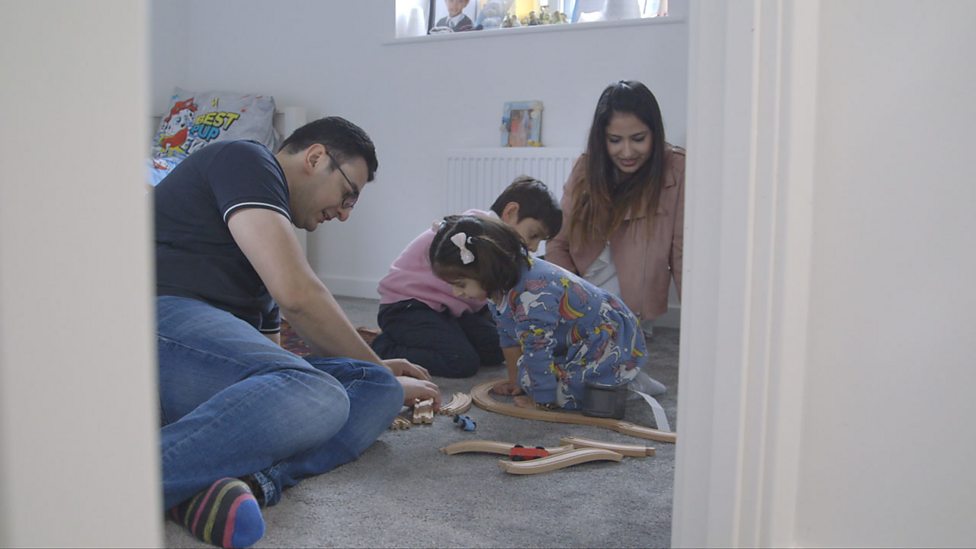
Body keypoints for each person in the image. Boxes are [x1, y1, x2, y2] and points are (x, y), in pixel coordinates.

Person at [154, 117, 440, 548]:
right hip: (153, 323)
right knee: (319, 391)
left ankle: (235, 484)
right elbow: (297, 295)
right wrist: (375, 360)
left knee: (374, 388)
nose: (344, 215)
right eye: (348, 196)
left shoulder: (261, 249)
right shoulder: (246, 159)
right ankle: (130, 484)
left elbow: (275, 369)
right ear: (316, 157)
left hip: (199, 360)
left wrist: (374, 371)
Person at [429, 215, 648, 410]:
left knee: (565, 388)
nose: (456, 292)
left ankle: (625, 381)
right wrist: (515, 382)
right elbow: (508, 335)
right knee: (528, 375)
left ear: (486, 269)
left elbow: (538, 348)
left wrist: (542, 400)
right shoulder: (499, 285)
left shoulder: (532, 295)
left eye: (461, 284)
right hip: (575, 338)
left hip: (610, 338)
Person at [371, 176, 562, 378]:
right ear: (511, 212)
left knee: (496, 348)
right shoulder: (475, 234)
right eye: (533, 235)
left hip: (448, 310)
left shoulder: (492, 241)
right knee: (460, 361)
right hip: (407, 307)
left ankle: (443, 336)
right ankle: (381, 347)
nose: (533, 247)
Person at [546, 80, 685, 341]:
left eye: (639, 139)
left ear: (655, 133)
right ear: (602, 139)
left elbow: (682, 253)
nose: (627, 151)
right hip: (580, 300)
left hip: (634, 310)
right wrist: (569, 303)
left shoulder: (676, 170)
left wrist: (697, 320)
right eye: (615, 140)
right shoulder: (586, 168)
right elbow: (557, 243)